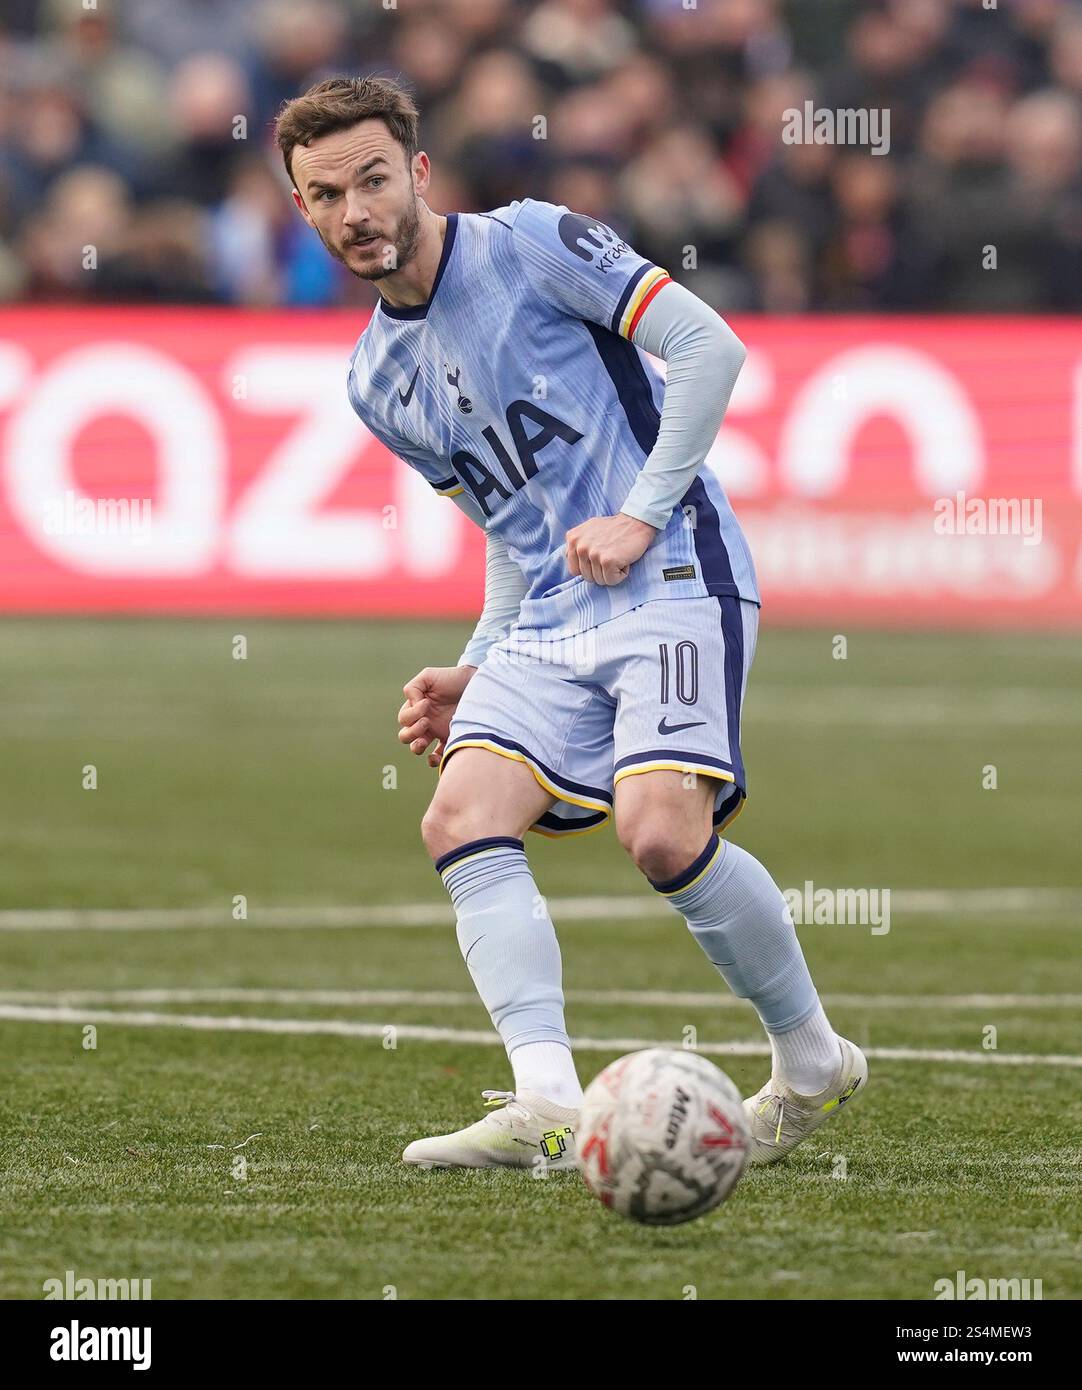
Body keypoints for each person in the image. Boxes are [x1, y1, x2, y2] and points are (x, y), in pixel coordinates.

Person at [274, 74, 867, 1171]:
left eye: (370, 179)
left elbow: (708, 350)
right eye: (324, 195)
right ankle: (544, 1100)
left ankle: (809, 1059)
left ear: (417, 173)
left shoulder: (531, 242)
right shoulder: (373, 379)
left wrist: (640, 517)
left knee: (659, 835)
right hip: (548, 614)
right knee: (458, 817)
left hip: (675, 570)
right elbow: (508, 530)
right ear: (303, 212)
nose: (354, 211)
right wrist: (474, 664)